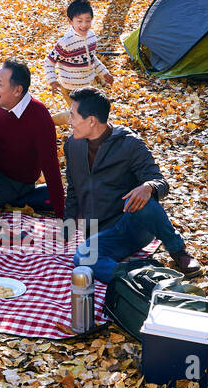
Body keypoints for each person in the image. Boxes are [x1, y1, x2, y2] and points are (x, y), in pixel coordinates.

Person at [63, 88, 201, 283]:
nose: (69, 122)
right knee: (82, 257)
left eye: (72, 116)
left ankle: (179, 252)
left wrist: (148, 187)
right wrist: (67, 226)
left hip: (131, 225)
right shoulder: (72, 145)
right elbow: (73, 190)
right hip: (99, 232)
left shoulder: (130, 144)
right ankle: (137, 279)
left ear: (91, 120)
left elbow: (160, 181)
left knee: (143, 197)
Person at [0, 59, 65, 216]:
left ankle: (29, 198)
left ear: (17, 90)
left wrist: (62, 214)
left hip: (16, 182)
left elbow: (51, 168)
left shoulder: (39, 117)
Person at [43, 0, 113, 124]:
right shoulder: (66, 42)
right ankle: (50, 121)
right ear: (70, 21)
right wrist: (52, 81)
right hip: (70, 88)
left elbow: (92, 58)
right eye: (79, 21)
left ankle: (69, 124)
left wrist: (104, 73)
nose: (84, 25)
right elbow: (49, 61)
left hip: (88, 85)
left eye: (88, 20)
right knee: (80, 116)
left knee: (89, 114)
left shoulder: (91, 37)